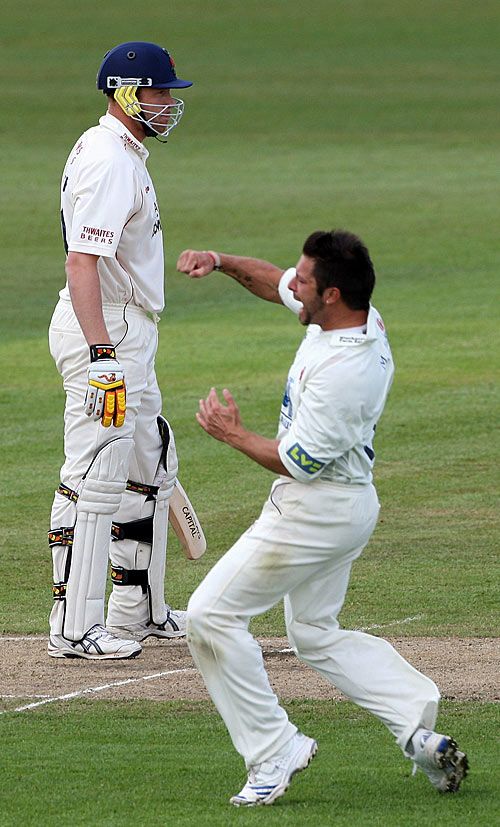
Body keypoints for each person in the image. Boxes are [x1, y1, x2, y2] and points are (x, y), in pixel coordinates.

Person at [176, 232, 468, 806]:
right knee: (312, 632)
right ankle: (417, 728)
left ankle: (273, 748)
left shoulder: (347, 375)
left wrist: (231, 434)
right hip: (347, 505)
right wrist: (222, 262)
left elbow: (296, 463)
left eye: (304, 280)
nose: (293, 283)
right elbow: (271, 281)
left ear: (332, 294)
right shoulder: (348, 314)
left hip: (316, 510)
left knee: (210, 615)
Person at [47, 41, 193, 660]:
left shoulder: (122, 150)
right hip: (104, 327)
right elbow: (83, 259)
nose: (168, 103)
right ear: (128, 92)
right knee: (97, 472)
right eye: (160, 91)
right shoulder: (109, 158)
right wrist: (102, 354)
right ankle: (73, 627)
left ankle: (139, 611)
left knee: (149, 465)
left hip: (129, 326)